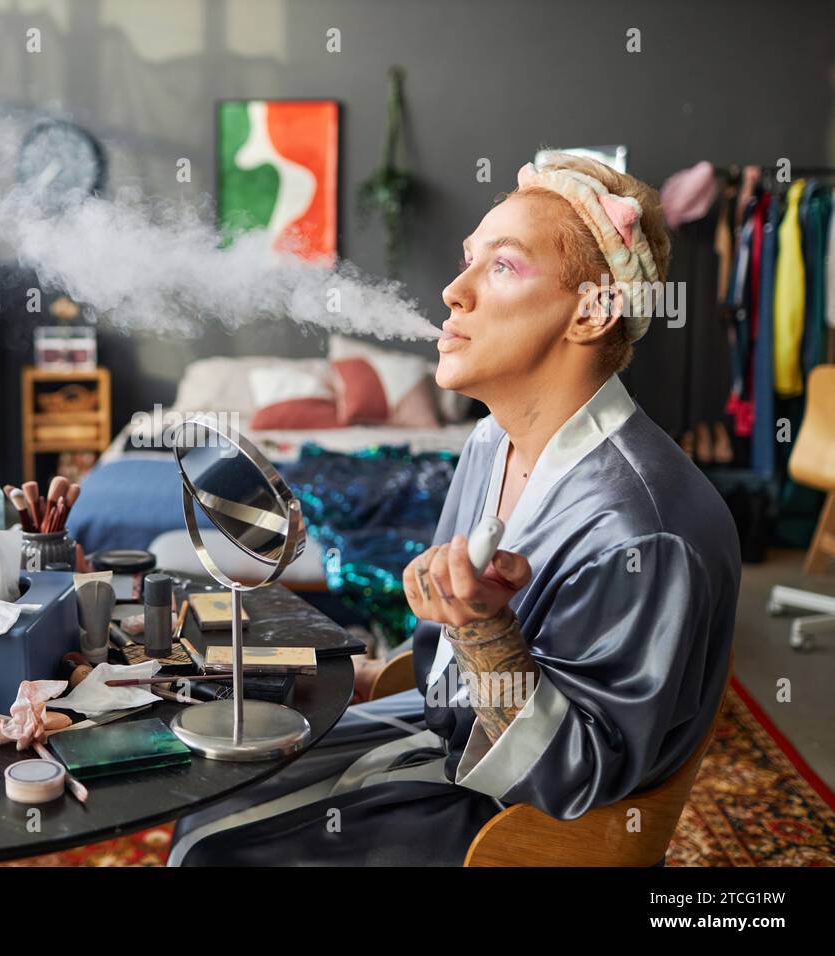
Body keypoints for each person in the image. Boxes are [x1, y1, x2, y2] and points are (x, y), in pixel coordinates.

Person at [169, 153, 741, 866]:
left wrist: (484, 629)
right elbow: (441, 663)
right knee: (206, 785)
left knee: (213, 848)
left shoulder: (642, 526)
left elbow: (578, 780)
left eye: (501, 266)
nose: (452, 291)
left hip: (518, 823)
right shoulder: (488, 441)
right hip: (443, 739)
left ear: (593, 311)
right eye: (468, 260)